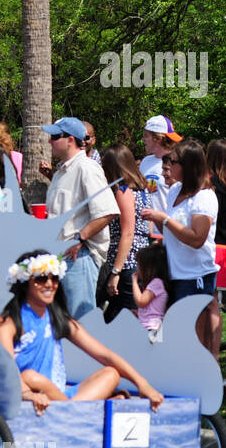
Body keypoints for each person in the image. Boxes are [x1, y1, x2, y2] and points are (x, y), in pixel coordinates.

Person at [0, 250, 163, 415]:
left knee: (111, 373)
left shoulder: (59, 318)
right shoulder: (9, 322)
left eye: (54, 277)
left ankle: (71, 410)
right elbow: (7, 368)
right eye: (41, 278)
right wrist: (28, 394)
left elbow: (105, 355)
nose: (49, 284)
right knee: (30, 376)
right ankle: (80, 411)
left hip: (59, 398)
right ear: (25, 283)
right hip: (25, 394)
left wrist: (142, 384)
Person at [141, 140, 222, 363]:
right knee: (175, 331)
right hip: (172, 272)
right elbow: (168, 230)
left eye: (172, 161)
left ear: (188, 165)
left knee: (192, 334)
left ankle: (200, 372)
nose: (167, 165)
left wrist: (164, 219)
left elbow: (197, 238)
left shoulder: (204, 197)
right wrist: (155, 219)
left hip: (194, 274)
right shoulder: (174, 189)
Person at [41, 117, 119, 319]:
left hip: (79, 257)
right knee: (64, 325)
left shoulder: (87, 167)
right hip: (61, 257)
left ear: (70, 140)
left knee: (81, 325)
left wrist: (80, 239)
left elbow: (108, 210)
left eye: (55, 136)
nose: (50, 141)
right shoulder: (61, 172)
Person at [97, 144, 150, 322]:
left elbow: (128, 232)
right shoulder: (142, 190)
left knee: (123, 319)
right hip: (139, 258)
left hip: (126, 264)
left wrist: (115, 272)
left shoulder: (123, 191)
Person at [139, 115, 181, 236]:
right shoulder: (145, 161)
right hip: (146, 233)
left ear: (158, 138)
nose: (143, 139)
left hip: (167, 233)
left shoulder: (175, 162)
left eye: (146, 136)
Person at [132, 244, 171, 341]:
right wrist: (139, 314)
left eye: (140, 265)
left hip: (151, 328)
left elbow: (141, 302)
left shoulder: (156, 283)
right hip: (151, 327)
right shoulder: (157, 283)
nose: (138, 269)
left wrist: (134, 282)